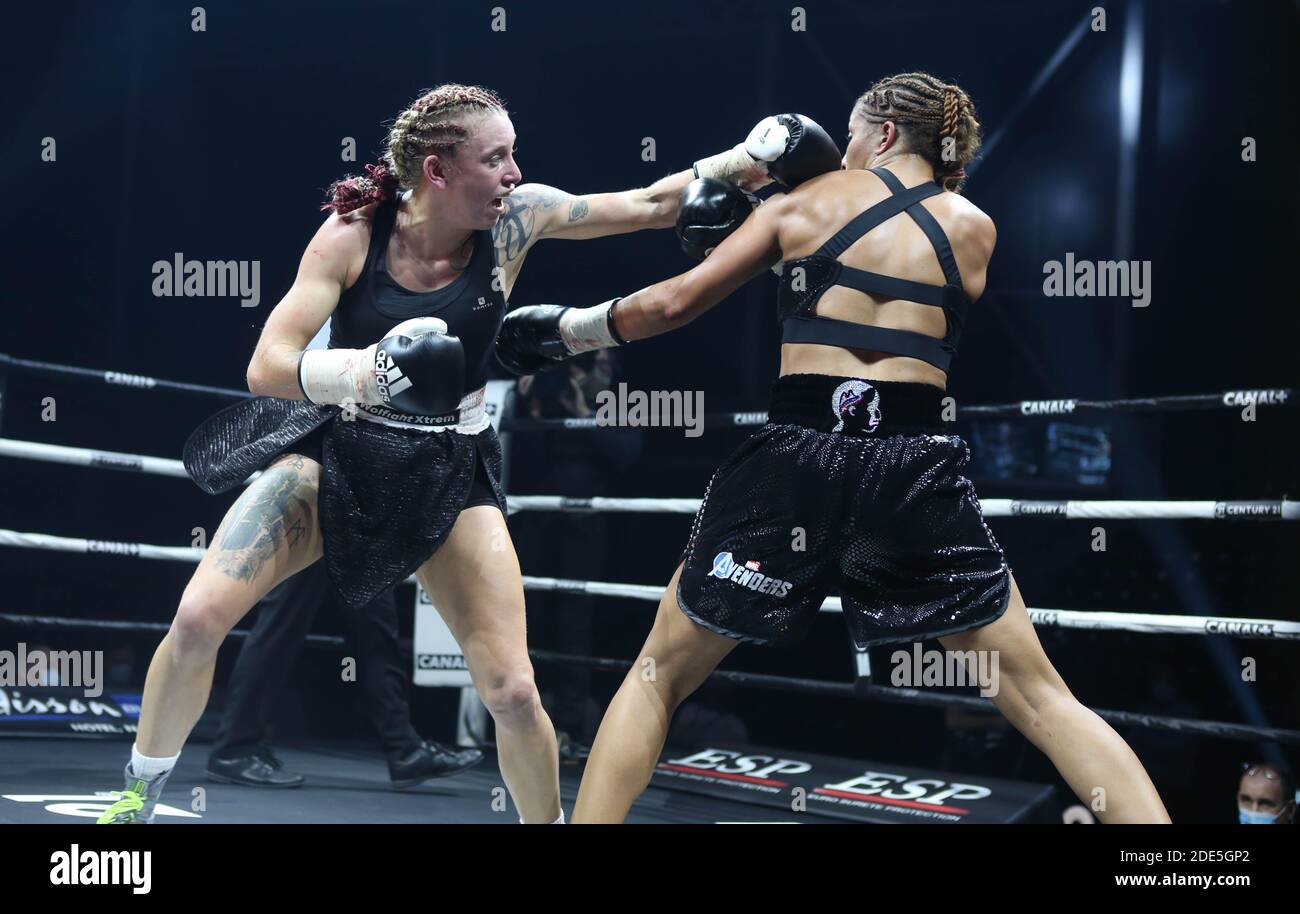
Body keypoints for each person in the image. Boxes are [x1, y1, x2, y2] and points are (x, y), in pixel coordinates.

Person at [97, 82, 794, 824]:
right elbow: (267, 364)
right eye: (496, 159)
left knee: (514, 691)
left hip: (449, 467)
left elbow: (653, 203)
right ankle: (136, 801)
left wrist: (749, 159)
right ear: (436, 170)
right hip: (340, 449)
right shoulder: (352, 236)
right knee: (200, 617)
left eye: (513, 155)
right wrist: (367, 370)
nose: (515, 173)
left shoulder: (518, 222)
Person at [497, 72, 1172, 824]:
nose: (841, 151)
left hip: (801, 454)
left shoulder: (803, 204)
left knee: (658, 674)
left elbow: (671, 303)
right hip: (915, 462)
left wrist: (561, 331)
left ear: (882, 133)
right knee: (1043, 697)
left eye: (852, 135)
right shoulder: (976, 228)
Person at [206, 565, 482, 790]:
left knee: (377, 637)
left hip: (358, 528)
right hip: (322, 514)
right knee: (280, 628)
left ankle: (405, 750)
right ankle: (236, 749)